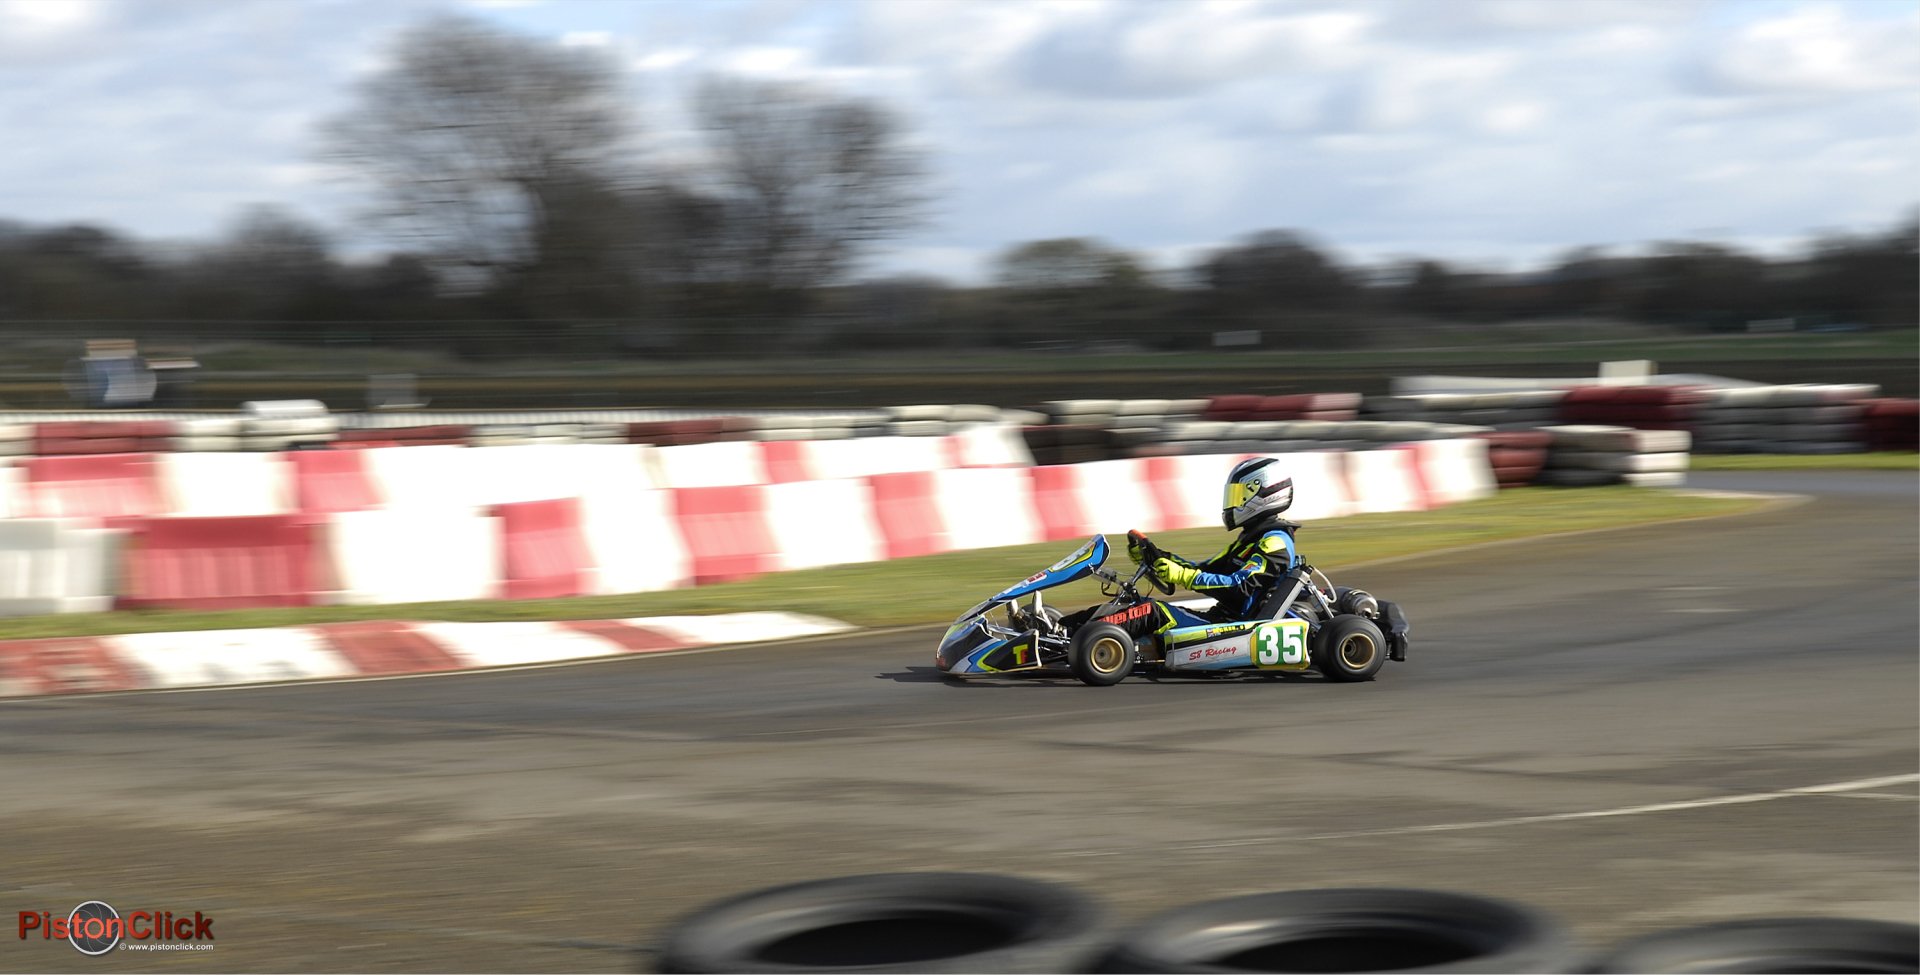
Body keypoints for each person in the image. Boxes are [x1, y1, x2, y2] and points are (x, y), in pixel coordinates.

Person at [1048, 456, 1302, 648]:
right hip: (1223, 622)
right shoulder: (1251, 539)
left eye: (1239, 495)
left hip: (1236, 631)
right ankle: (1059, 628)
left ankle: (1076, 641)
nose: (1232, 503)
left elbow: (1239, 589)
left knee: (1152, 612)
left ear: (1262, 493)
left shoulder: (1275, 542)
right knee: (1135, 604)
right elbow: (1205, 569)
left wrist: (1182, 576)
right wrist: (1159, 558)